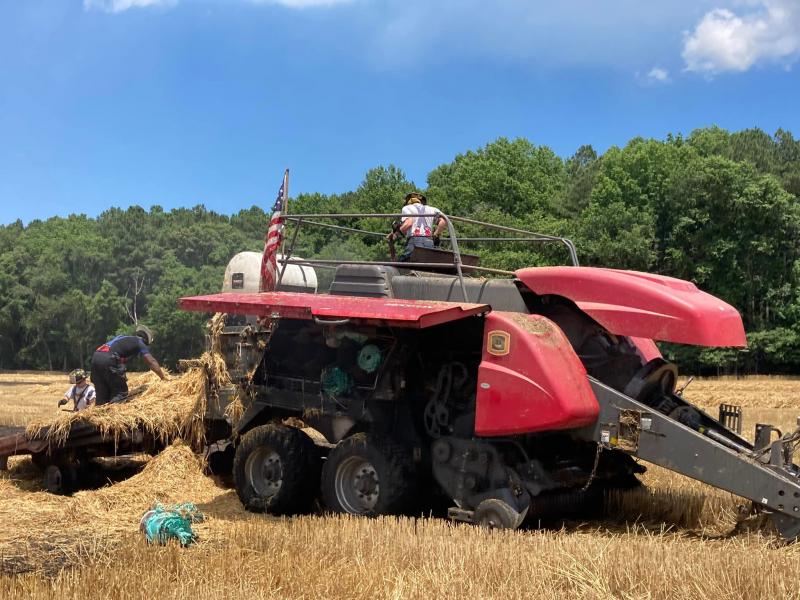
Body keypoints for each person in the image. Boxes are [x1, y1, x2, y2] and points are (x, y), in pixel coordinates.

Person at [90, 325, 167, 405]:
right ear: (146, 340)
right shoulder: (139, 342)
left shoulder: (122, 338)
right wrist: (163, 377)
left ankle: (100, 414)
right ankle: (115, 414)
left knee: (102, 395)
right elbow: (151, 361)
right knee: (120, 393)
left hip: (96, 358)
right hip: (109, 359)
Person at [388, 192, 447, 262]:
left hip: (414, 241)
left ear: (408, 201)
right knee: (427, 264)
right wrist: (435, 235)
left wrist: (396, 235)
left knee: (403, 263)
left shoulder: (407, 208)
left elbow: (409, 223)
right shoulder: (432, 209)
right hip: (429, 241)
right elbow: (443, 221)